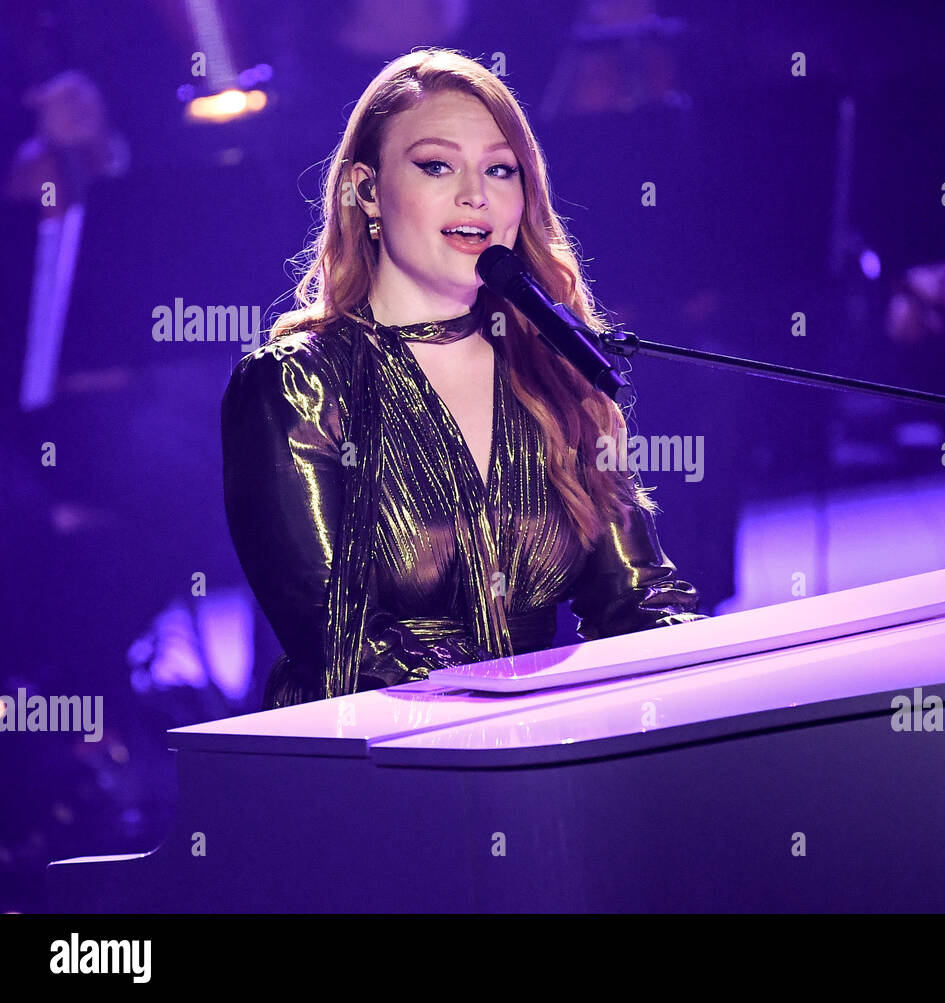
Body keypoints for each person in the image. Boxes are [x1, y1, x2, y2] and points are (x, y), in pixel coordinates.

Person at [220, 48, 706, 710]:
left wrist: (707, 679)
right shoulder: (295, 385)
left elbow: (638, 597)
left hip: (534, 757)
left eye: (500, 169)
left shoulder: (557, 370)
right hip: (369, 777)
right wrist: (519, 717)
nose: (475, 193)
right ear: (366, 190)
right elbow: (343, 639)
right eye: (436, 165)